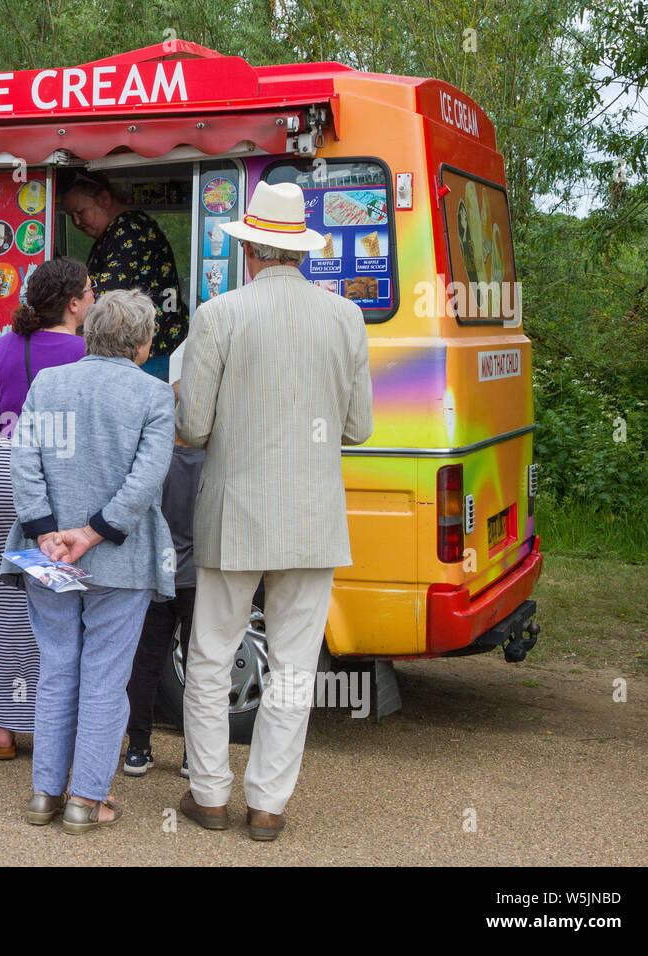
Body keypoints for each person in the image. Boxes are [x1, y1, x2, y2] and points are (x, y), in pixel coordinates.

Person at [175, 180, 374, 839]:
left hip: (235, 514)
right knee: (294, 665)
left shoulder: (219, 315)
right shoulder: (344, 318)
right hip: (313, 517)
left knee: (209, 658)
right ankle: (267, 805)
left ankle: (208, 796)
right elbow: (359, 428)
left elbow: (195, 427)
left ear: (251, 251)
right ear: (302, 253)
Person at [1, 289, 175, 833]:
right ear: (144, 343)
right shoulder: (154, 395)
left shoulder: (49, 383)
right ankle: (86, 799)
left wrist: (46, 531)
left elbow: (21, 460)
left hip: (45, 552)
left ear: (90, 333)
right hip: (120, 558)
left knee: (56, 671)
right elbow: (145, 481)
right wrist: (93, 533)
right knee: (105, 680)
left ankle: (44, 795)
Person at [0, 257, 90, 760]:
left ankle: (2, 727)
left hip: (6, 470)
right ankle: (51, 722)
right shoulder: (85, 352)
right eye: (91, 291)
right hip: (58, 477)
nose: (94, 299)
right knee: (58, 599)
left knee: (4, 601)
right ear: (72, 303)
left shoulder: (6, 345)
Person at [121, 432, 205, 777]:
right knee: (200, 668)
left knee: (144, 664)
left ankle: (139, 749)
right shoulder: (211, 464)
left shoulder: (154, 462)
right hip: (199, 577)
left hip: (156, 575)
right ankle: (192, 754)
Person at [61, 171, 188, 380]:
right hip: (144, 348)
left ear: (104, 199)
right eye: (71, 217)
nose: (76, 222)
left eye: (80, 212)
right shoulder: (119, 230)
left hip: (149, 350)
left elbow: (104, 290)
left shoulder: (128, 229)